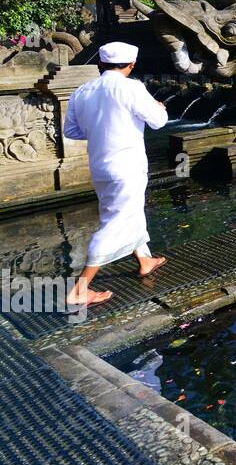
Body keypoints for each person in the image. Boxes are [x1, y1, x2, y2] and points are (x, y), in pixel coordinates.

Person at [62, 42, 169, 306]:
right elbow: (158, 121)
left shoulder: (82, 91)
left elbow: (71, 131)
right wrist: (160, 107)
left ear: (100, 64)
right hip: (127, 165)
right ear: (131, 65)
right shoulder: (131, 88)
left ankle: (145, 259)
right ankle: (80, 289)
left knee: (122, 212)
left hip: (100, 166)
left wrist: (100, 128)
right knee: (113, 223)